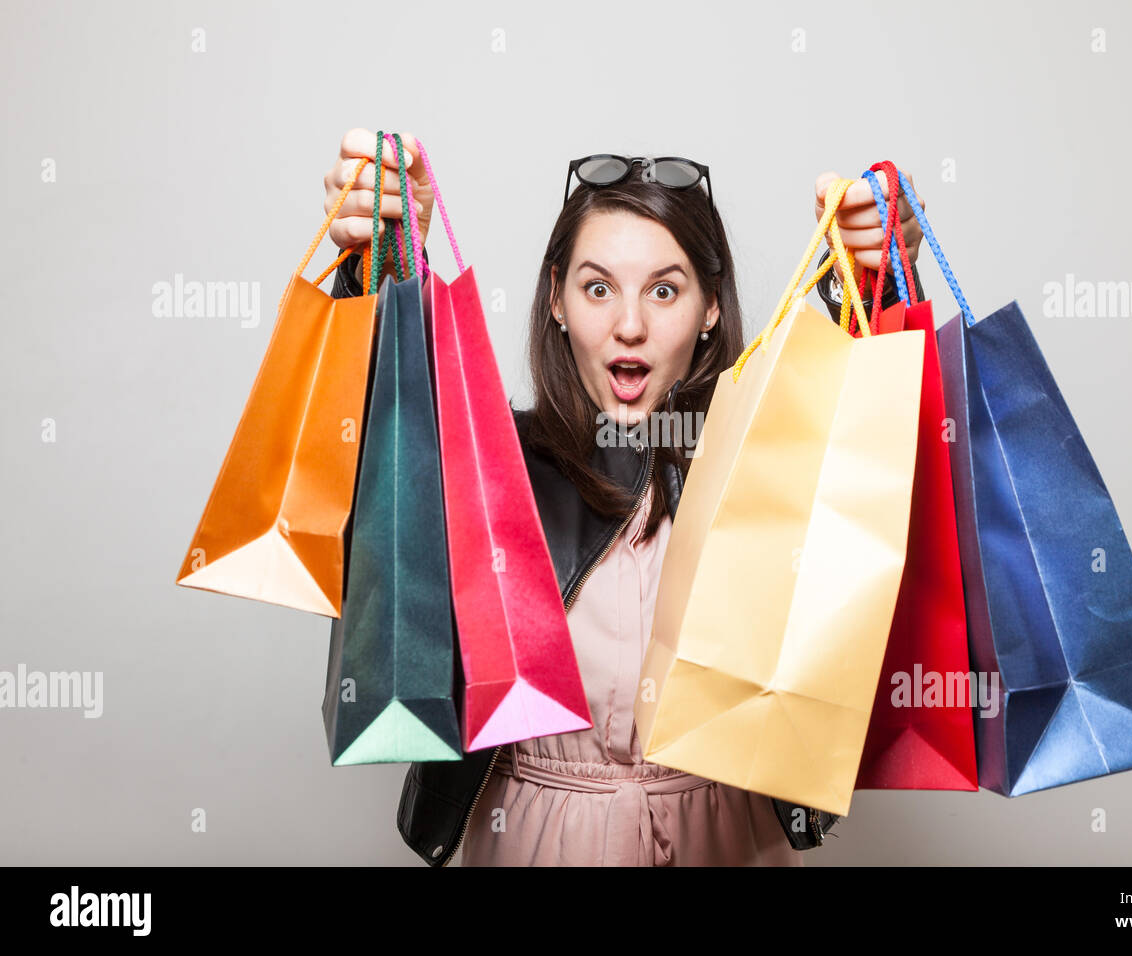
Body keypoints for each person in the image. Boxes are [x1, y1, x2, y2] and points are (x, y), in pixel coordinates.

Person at [322, 130, 925, 866]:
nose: (630, 324)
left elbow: (872, 459)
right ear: (557, 302)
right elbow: (379, 458)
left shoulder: (764, 465)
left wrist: (877, 274)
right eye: (598, 287)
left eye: (665, 290)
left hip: (729, 838)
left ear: (709, 310)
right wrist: (385, 263)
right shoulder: (488, 463)